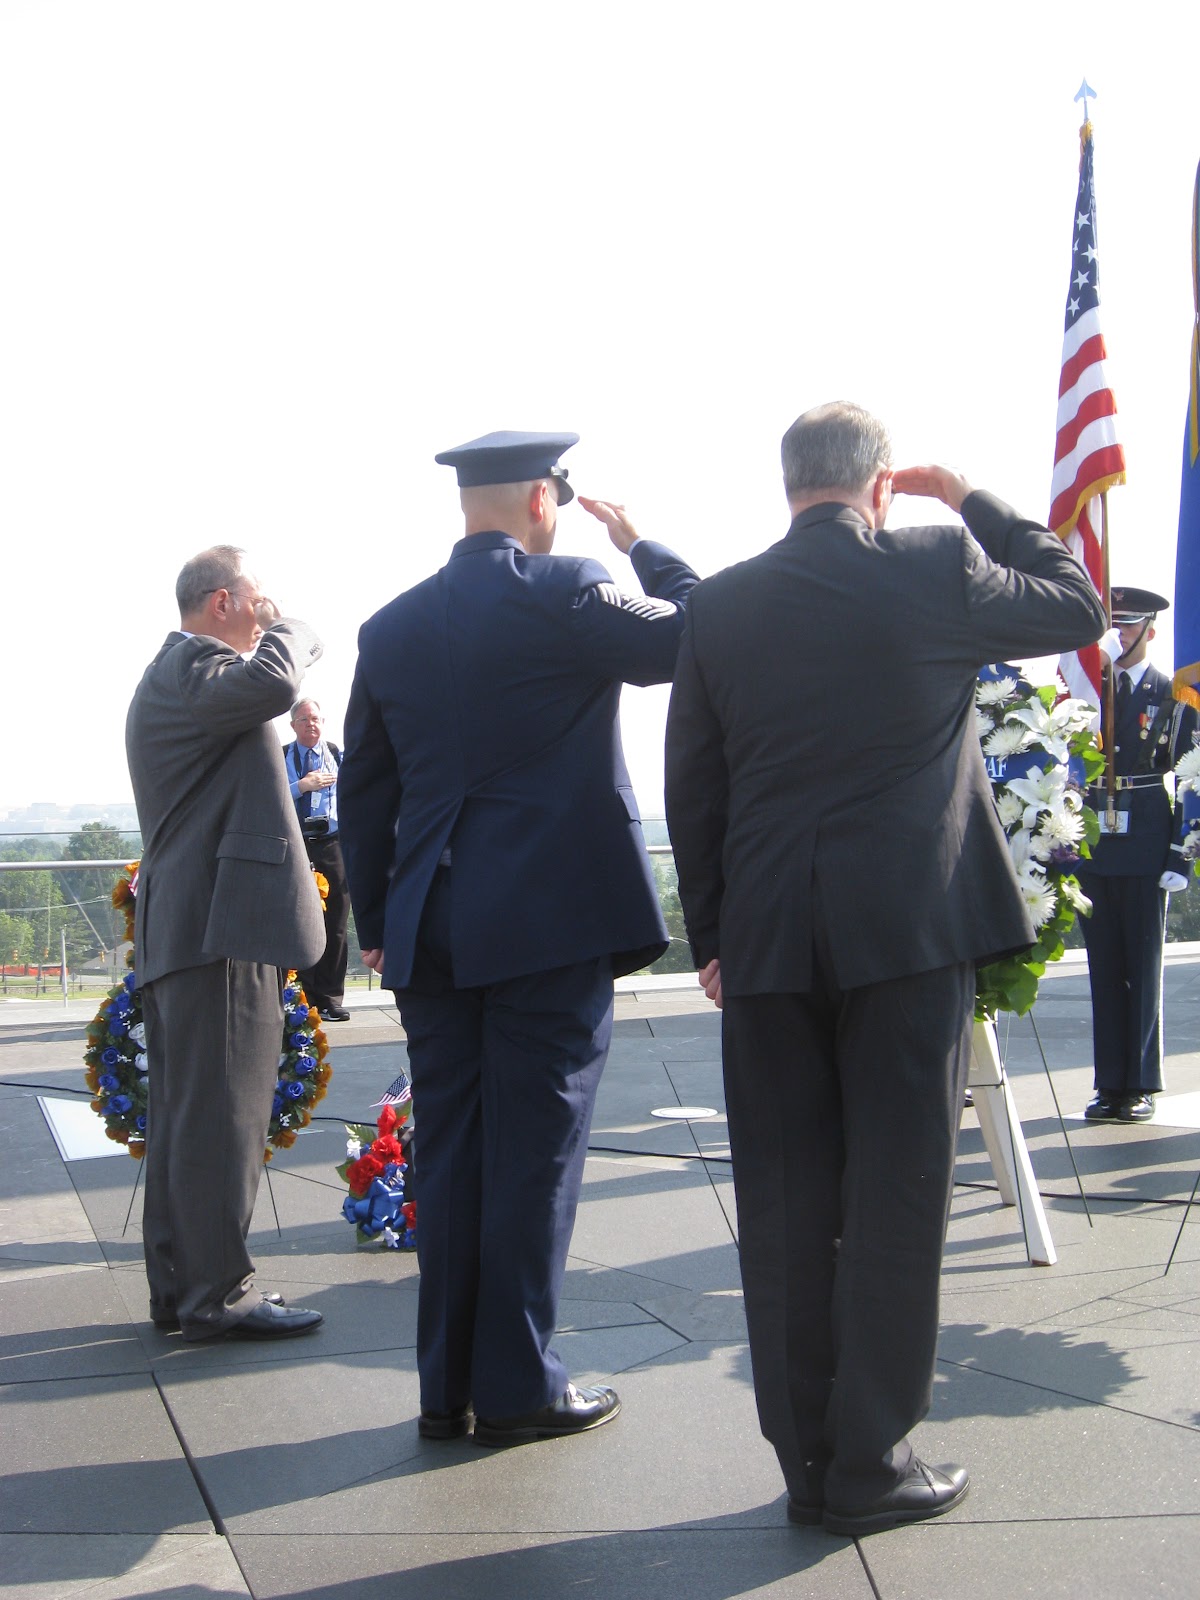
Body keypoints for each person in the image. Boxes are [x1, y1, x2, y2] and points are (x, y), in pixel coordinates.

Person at [664, 401, 1106, 1535]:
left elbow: (695, 785)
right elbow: (1075, 600)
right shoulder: (934, 559)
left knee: (784, 1201)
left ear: (787, 487)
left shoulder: (717, 604)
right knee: (899, 1195)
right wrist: (971, 501)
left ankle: (808, 1460)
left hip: (767, 945)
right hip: (906, 937)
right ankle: (873, 1460)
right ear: (877, 486)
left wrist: (712, 934)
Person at [338, 430, 698, 1446]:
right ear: (544, 497)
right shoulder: (571, 588)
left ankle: (445, 1384)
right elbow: (693, 636)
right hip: (547, 921)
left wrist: (379, 922)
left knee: (452, 1155)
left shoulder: (392, 625)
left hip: (431, 929)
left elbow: (366, 790)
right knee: (534, 1154)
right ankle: (518, 1386)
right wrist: (648, 550)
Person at [125, 546, 327, 1343]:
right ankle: (219, 1293)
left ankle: (183, 1286)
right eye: (255, 596)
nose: (266, 604)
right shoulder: (198, 666)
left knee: (188, 1115)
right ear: (221, 603)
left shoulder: (180, 675)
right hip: (220, 926)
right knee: (222, 1118)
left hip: (194, 925)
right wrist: (295, 628)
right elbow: (275, 683)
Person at [1077, 586, 1199, 1123]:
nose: (1116, 633)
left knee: (1142, 966)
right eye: (1112, 623)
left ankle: (1141, 1084)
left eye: (1126, 625)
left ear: (1150, 630)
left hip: (1148, 835)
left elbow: (1194, 774)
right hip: (1095, 844)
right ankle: (1110, 1085)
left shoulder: (1173, 694)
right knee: (1104, 970)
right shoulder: (1085, 689)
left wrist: (1182, 853)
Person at [282, 698, 352, 1021]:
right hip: (297, 844)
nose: (311, 724)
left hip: (332, 845)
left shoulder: (336, 754)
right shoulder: (281, 756)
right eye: (304, 719)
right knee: (297, 921)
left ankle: (329, 998)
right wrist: (302, 786)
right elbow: (271, 793)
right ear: (293, 724)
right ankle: (301, 997)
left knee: (336, 922)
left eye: (316, 719)